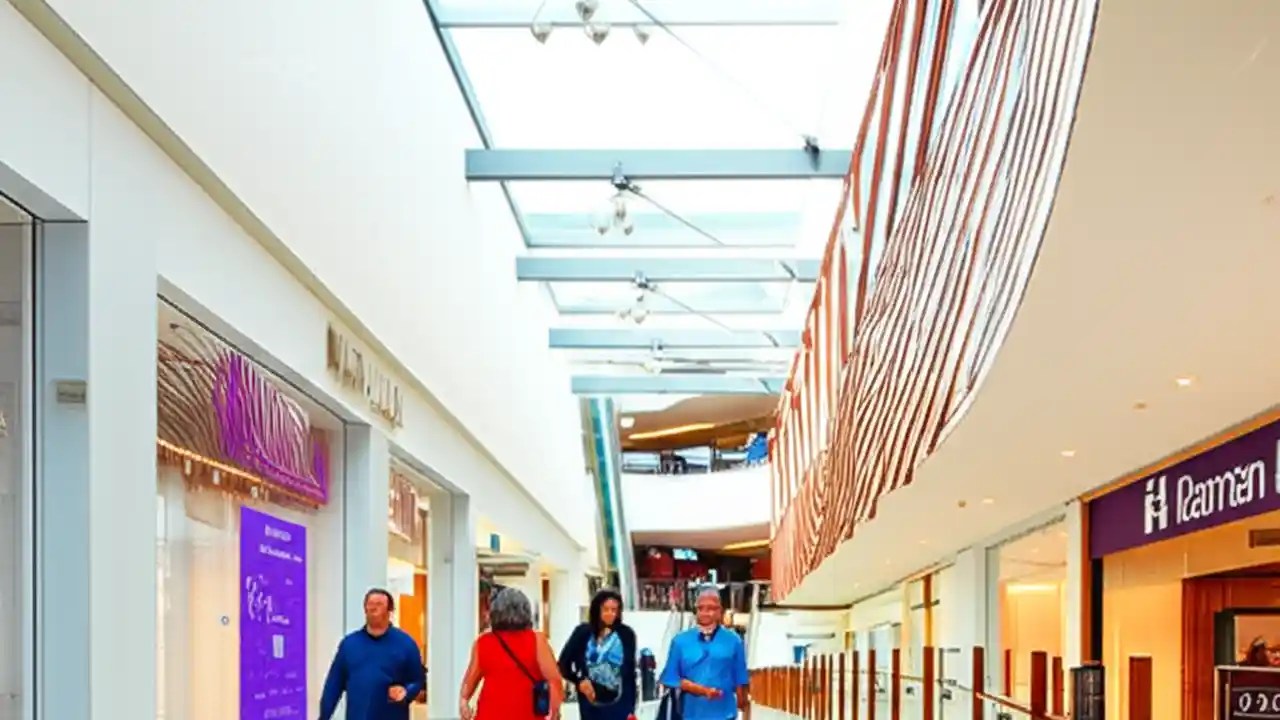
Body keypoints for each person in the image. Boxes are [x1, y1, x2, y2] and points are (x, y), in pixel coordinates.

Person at [458, 587, 565, 720]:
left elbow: (470, 681)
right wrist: (554, 712)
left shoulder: (483, 642)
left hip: (490, 714)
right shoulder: (537, 640)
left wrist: (464, 702)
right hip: (526, 714)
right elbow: (554, 680)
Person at [319, 588, 425, 720]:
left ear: (389, 611)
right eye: (370, 604)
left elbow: (418, 681)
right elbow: (333, 685)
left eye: (379, 604)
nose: (373, 608)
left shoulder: (405, 644)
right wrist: (323, 716)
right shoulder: (349, 644)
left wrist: (406, 692)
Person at [660, 586, 750, 720]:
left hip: (725, 714)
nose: (705, 613)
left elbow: (740, 679)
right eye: (700, 608)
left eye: (711, 608)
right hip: (690, 714)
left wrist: (742, 704)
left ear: (720, 611)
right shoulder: (679, 641)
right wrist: (702, 691)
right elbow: (670, 678)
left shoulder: (734, 641)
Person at [558, 588, 638, 720]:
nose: (610, 614)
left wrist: (631, 709)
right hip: (590, 706)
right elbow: (563, 664)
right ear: (597, 610)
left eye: (614, 610)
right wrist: (579, 681)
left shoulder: (626, 634)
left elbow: (630, 673)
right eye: (606, 609)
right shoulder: (582, 633)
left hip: (619, 707)